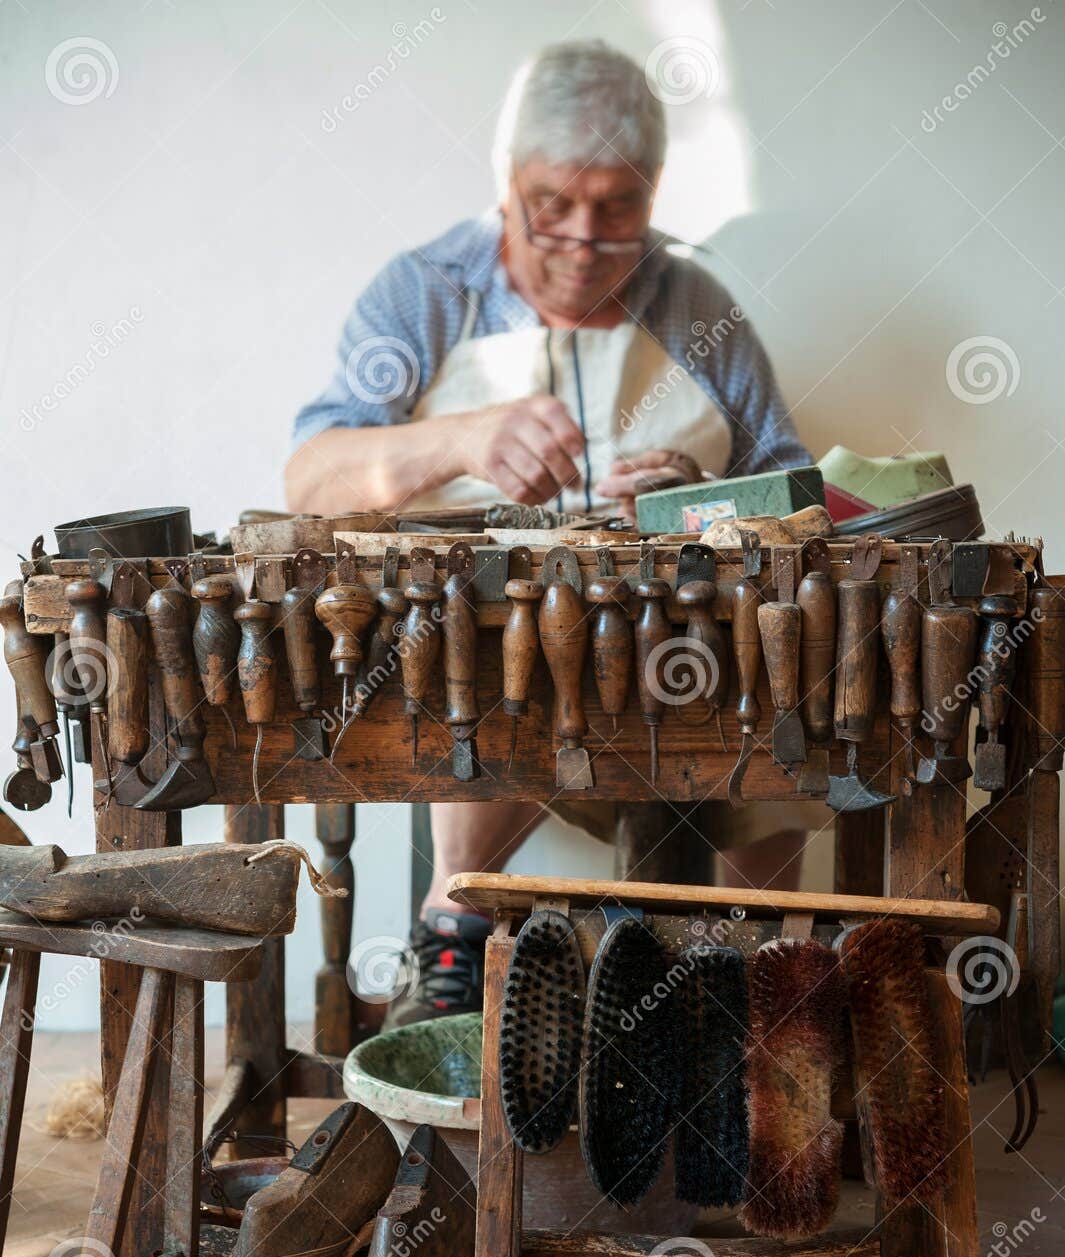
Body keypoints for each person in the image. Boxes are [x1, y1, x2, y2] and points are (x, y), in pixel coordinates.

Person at [287, 40, 813, 1026]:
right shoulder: (427, 291)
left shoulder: (696, 304)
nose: (583, 239)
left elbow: (795, 488)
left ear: (654, 190)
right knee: (498, 663)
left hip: (687, 657)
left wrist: (693, 493)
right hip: (493, 662)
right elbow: (310, 471)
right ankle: (453, 947)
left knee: (781, 728)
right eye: (552, 205)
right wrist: (462, 439)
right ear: (506, 185)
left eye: (618, 207)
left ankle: (737, 983)